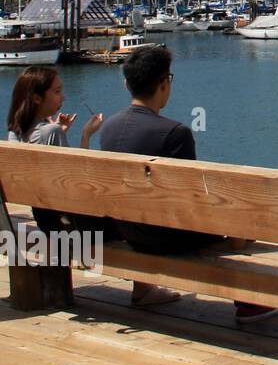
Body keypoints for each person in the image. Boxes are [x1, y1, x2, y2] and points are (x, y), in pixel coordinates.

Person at [99, 45, 278, 323]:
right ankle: (249, 300)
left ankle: (142, 288)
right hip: (168, 238)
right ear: (164, 84)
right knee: (239, 215)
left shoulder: (108, 129)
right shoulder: (175, 133)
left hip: (128, 230)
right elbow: (193, 205)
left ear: (127, 84)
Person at [5, 65, 175, 307]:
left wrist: (62, 134)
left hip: (46, 222)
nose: (62, 97)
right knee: (135, 212)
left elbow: (56, 175)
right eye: (56, 92)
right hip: (71, 229)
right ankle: (143, 288)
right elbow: (76, 188)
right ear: (36, 98)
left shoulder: (15, 132)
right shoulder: (50, 131)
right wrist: (86, 135)